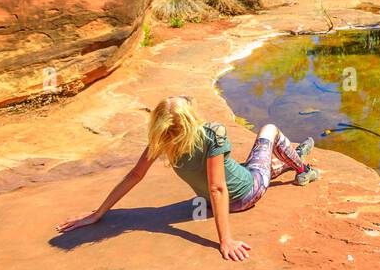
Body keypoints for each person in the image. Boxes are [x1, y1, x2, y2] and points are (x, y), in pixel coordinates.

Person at [56, 95, 318, 261]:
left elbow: (135, 175)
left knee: (258, 166)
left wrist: (97, 214)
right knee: (269, 130)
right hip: (247, 193)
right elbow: (217, 187)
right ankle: (303, 171)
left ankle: (290, 159)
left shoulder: (162, 143)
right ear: (191, 120)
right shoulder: (212, 134)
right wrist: (225, 240)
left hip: (220, 195)